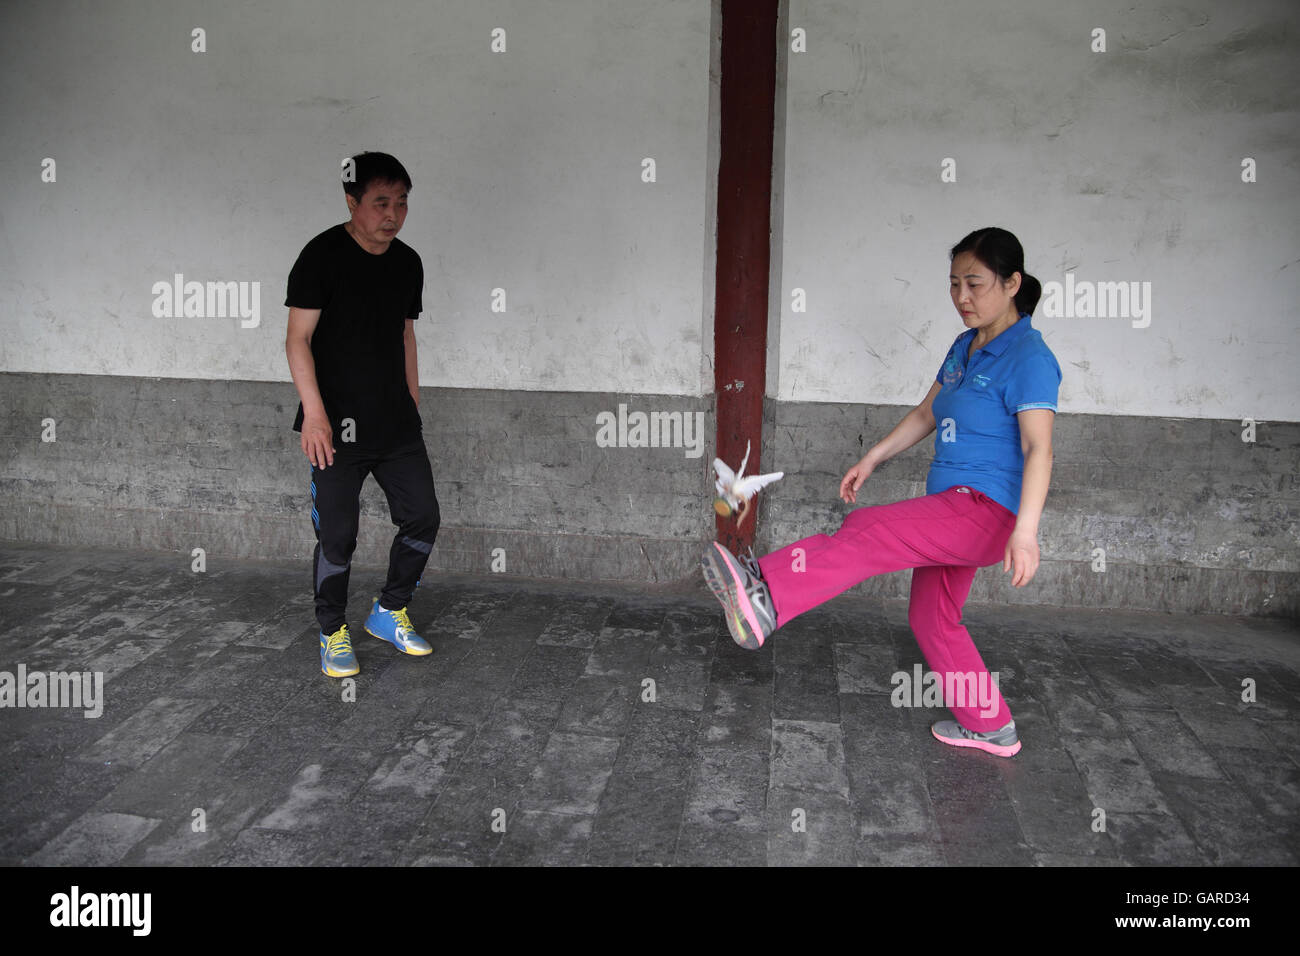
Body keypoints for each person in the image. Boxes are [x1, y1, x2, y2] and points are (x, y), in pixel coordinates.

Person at [702, 227, 1060, 757]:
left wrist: (1025, 533)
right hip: (953, 508)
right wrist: (872, 457)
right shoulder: (965, 346)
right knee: (932, 618)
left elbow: (1039, 451)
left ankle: (768, 595)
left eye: (976, 284)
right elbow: (924, 413)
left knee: (868, 529)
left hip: (986, 513)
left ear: (1012, 284)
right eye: (955, 284)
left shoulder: (1029, 358)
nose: (962, 297)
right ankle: (991, 724)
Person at [284, 151, 440, 677]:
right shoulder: (321, 256)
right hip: (333, 427)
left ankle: (388, 610)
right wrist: (314, 415)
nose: (392, 214)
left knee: (422, 517)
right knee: (338, 534)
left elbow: (405, 334)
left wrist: (412, 399)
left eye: (401, 203)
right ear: (352, 202)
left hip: (394, 422)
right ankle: (332, 631)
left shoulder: (408, 262)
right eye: (380, 203)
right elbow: (297, 339)